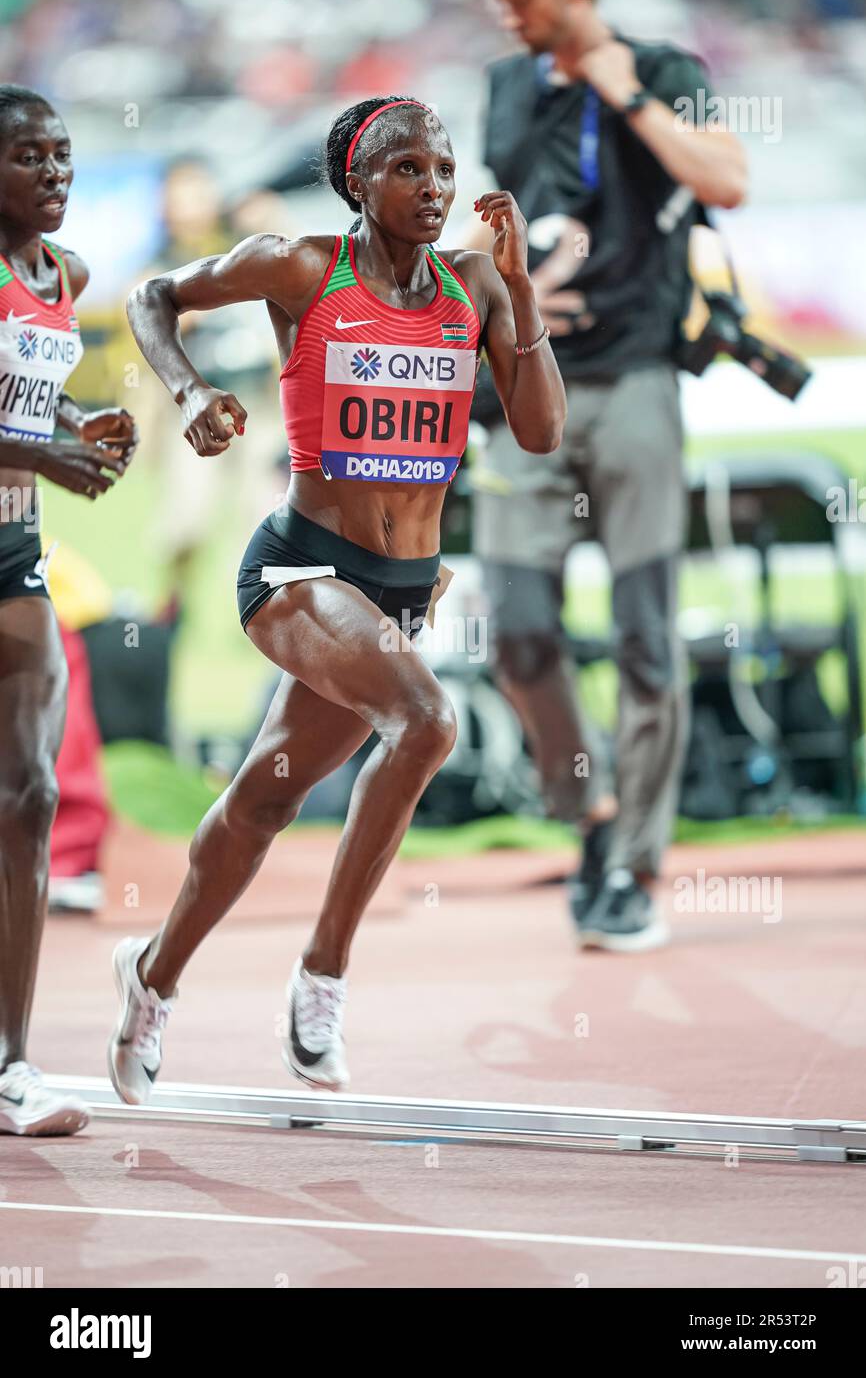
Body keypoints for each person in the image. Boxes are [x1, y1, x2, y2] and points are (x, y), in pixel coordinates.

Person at [112, 95, 565, 1097]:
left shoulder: (476, 285)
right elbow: (153, 297)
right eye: (407, 169)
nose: (434, 188)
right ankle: (322, 975)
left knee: (267, 795)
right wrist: (189, 393)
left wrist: (523, 292)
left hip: (398, 591)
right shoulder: (303, 267)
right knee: (426, 720)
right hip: (299, 569)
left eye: (442, 169)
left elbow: (538, 432)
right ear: (357, 181)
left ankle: (150, 978)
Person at [470, 0, 748, 950]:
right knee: (518, 632)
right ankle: (588, 815)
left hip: (636, 383)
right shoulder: (504, 87)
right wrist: (508, 286)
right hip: (526, 389)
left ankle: (633, 865)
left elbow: (726, 179)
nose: (502, 11)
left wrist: (625, 93)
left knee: (643, 637)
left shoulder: (667, 70)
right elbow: (492, 228)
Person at [0, 84, 136, 1135]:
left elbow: (34, 402)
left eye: (63, 154)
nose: (54, 172)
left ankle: (9, 1066)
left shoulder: (66, 275)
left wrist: (91, 426)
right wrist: (51, 450)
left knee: (30, 794)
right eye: (29, 156)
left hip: (13, 550)